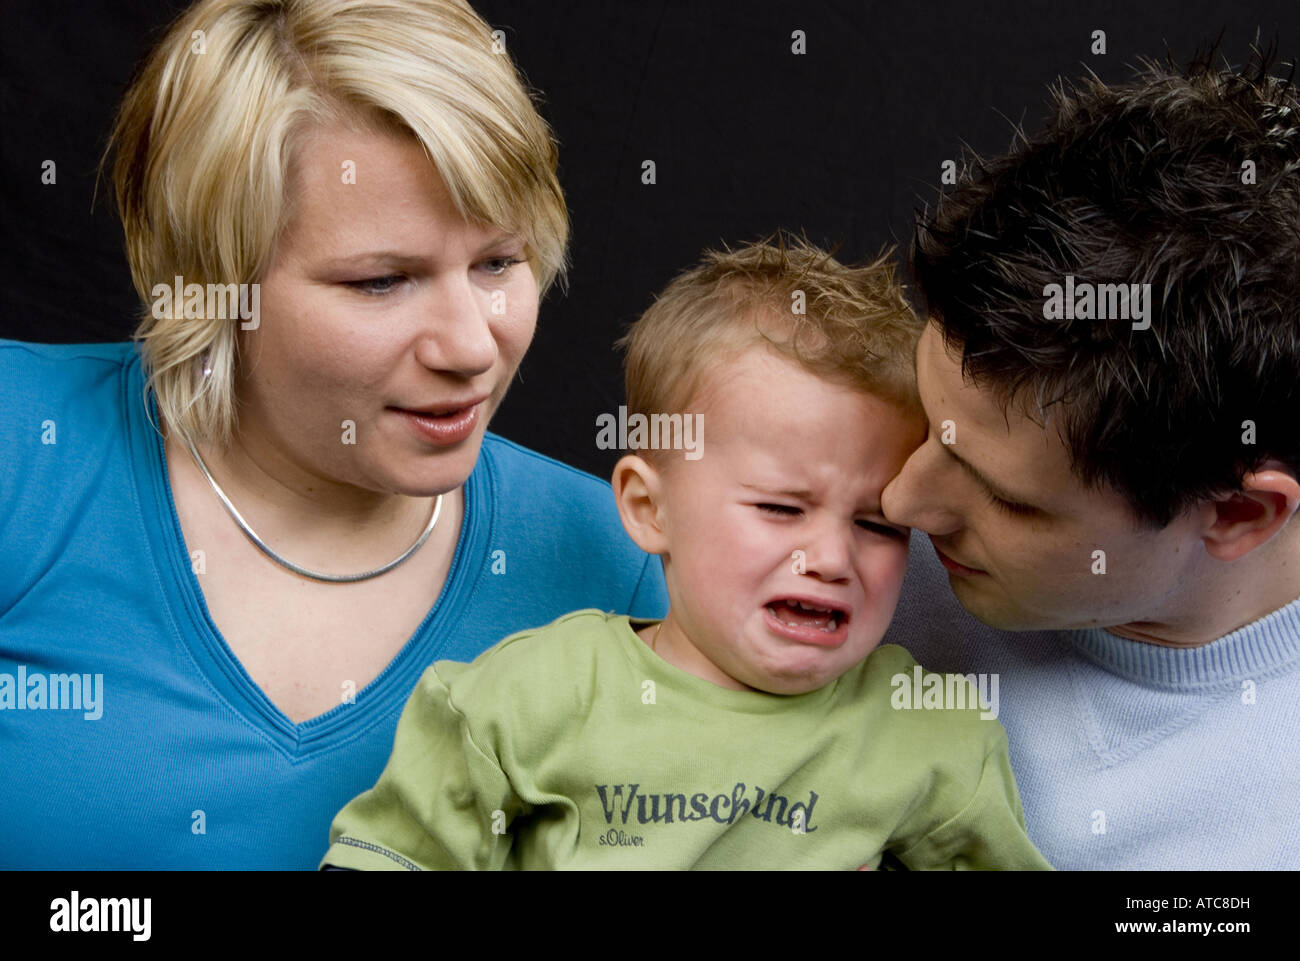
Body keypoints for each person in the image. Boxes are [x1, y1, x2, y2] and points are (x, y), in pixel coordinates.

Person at [0, 0, 665, 869]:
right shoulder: (25, 448)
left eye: (499, 261)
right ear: (211, 280)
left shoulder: (616, 561)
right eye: (383, 281)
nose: (471, 346)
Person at [318, 237, 1054, 870]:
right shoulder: (527, 699)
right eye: (780, 508)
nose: (830, 557)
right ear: (649, 508)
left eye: (878, 524)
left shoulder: (925, 730)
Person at [880, 50, 1300, 869]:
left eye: (1009, 499)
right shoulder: (811, 543)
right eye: (927, 420)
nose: (896, 503)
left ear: (1238, 513)